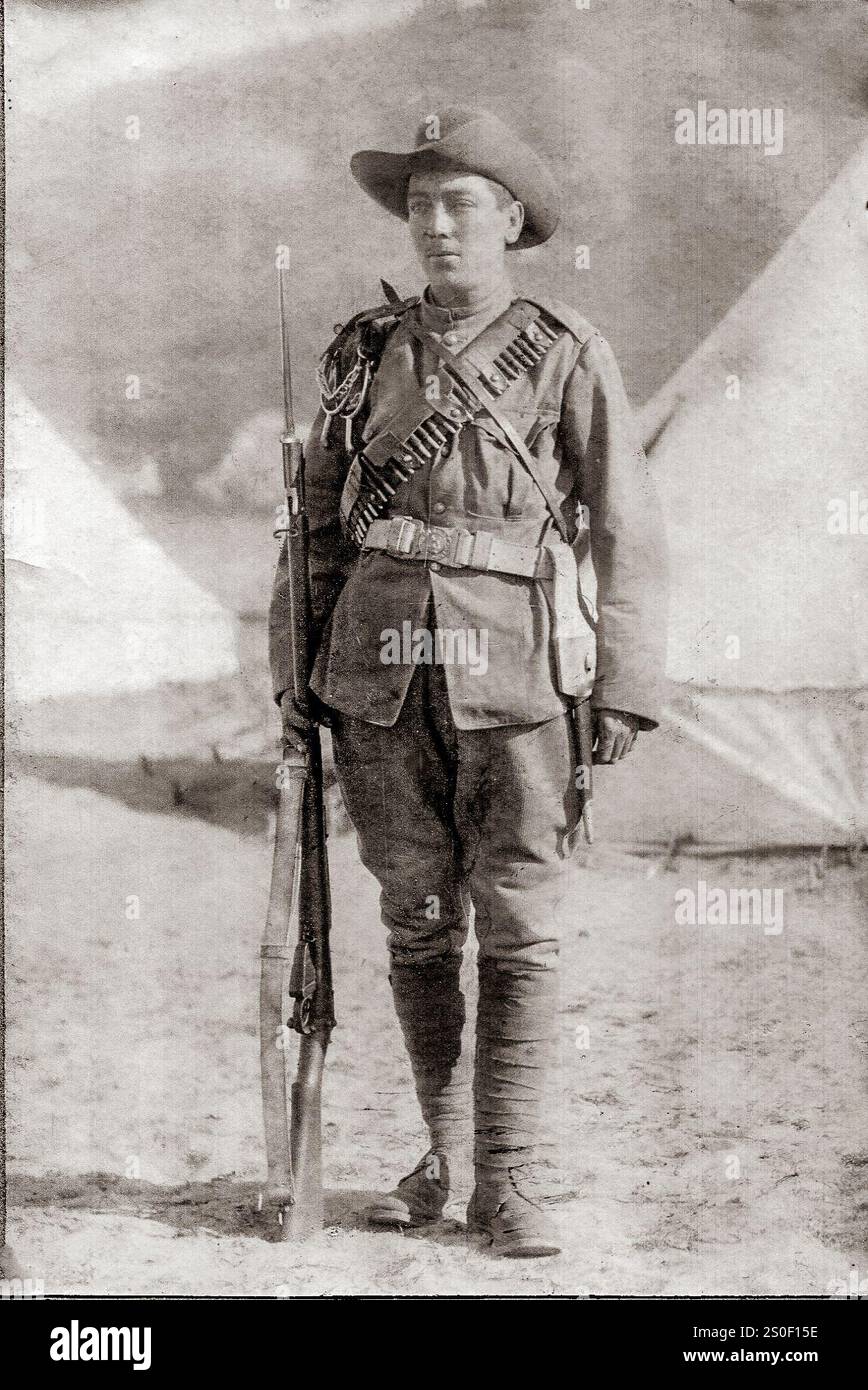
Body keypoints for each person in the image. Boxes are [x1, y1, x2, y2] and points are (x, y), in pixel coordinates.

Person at [269, 106, 668, 1257]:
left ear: (508, 222)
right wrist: (294, 673)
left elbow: (627, 530)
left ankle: (515, 1177)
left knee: (522, 922)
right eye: (420, 206)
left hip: (520, 677)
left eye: (460, 206)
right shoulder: (360, 353)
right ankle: (443, 1158)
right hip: (377, 682)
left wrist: (628, 686)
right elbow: (316, 532)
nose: (436, 227)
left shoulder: (563, 348)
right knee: (416, 916)